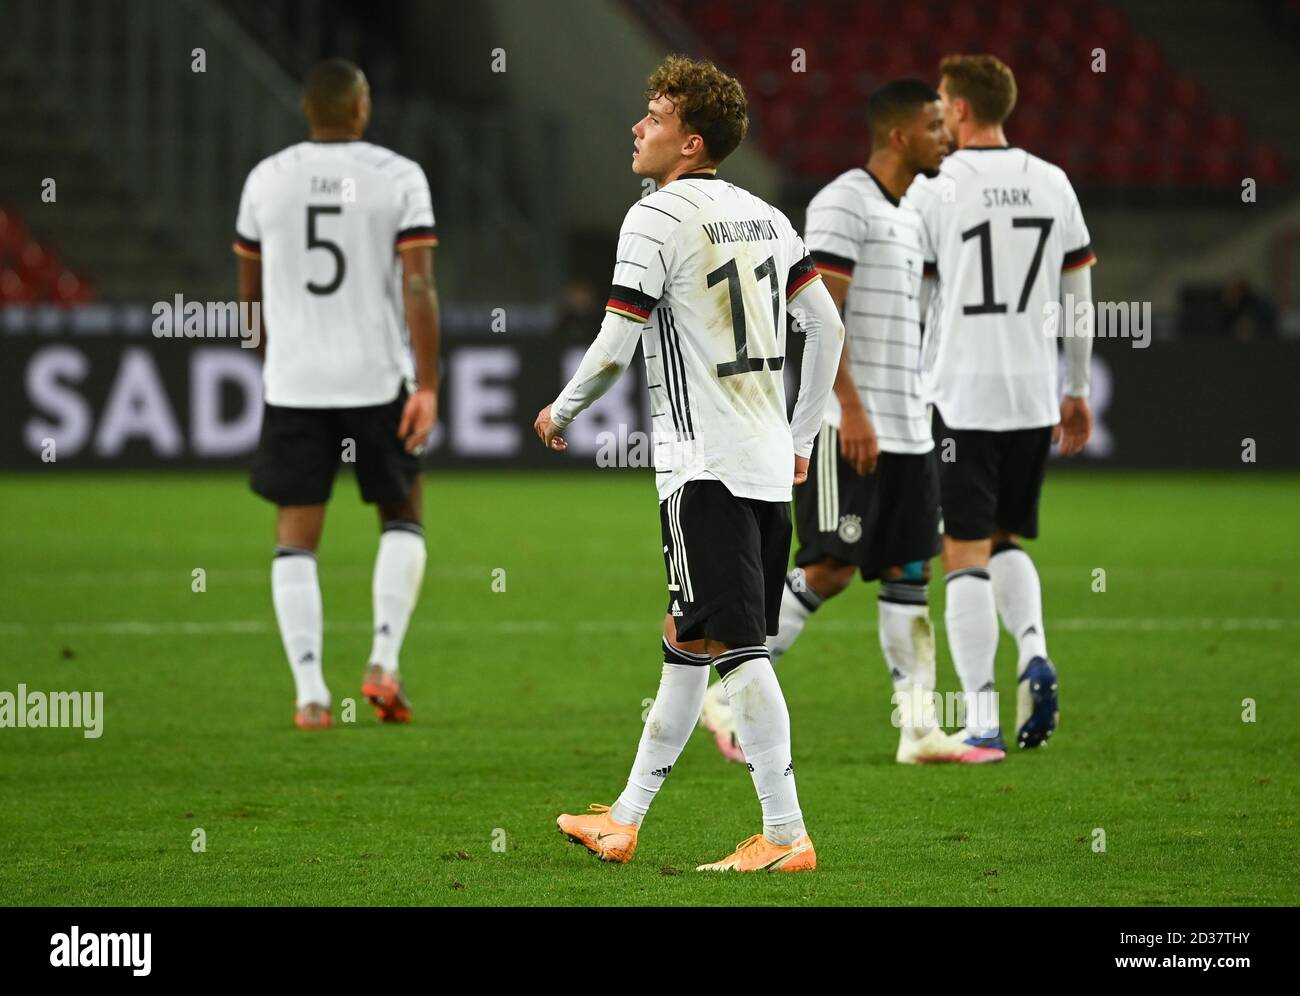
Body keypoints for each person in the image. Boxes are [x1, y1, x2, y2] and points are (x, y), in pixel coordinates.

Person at [534, 56, 843, 872]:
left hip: (700, 464)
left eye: (656, 117)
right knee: (688, 639)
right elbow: (828, 328)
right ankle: (625, 819)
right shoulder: (768, 216)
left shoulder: (656, 217)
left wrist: (560, 410)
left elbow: (613, 344)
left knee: (738, 651)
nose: (639, 126)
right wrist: (803, 437)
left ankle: (784, 836)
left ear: (690, 141)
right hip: (765, 463)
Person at [698, 79, 1000, 765]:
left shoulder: (908, 212)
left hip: (909, 427)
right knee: (830, 565)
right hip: (847, 425)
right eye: (933, 125)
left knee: (907, 570)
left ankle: (918, 727)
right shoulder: (842, 203)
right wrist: (853, 408)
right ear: (898, 136)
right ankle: (727, 694)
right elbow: (817, 318)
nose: (946, 136)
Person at [234, 58, 440, 729]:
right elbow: (418, 287)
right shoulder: (398, 176)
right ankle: (382, 661)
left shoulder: (266, 179)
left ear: (307, 108)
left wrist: (275, 361)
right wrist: (430, 383)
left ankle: (310, 695)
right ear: (360, 107)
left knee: (297, 535)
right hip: (376, 376)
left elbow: (248, 299)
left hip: (295, 383)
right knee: (402, 512)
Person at [905, 54, 1096, 752]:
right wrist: (1074, 388)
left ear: (958, 109)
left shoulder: (934, 191)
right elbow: (1079, 297)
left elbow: (915, 299)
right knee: (1007, 536)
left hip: (960, 394)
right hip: (1030, 394)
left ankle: (983, 718)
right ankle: (1035, 649)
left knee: (962, 552)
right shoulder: (1053, 183)